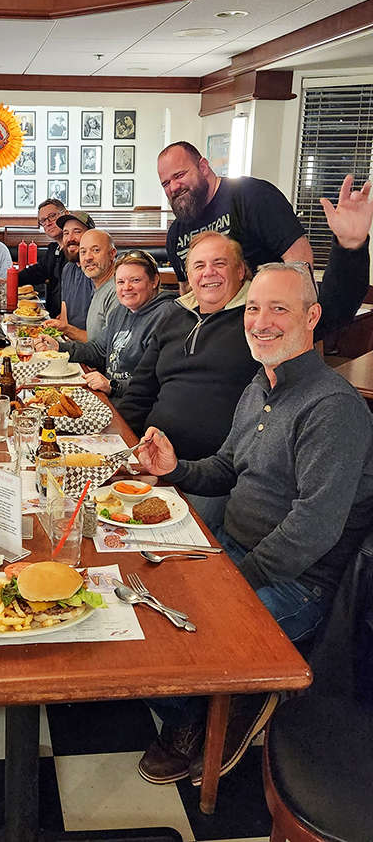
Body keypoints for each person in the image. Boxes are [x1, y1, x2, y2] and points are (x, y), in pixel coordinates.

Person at [135, 237, 373, 788]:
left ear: (312, 317)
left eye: (280, 309)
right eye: (257, 308)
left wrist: (233, 582)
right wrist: (175, 469)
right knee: (140, 600)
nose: (261, 322)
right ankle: (221, 692)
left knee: (175, 641)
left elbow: (312, 528)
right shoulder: (258, 386)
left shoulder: (332, 409)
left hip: (296, 582)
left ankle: (213, 711)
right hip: (234, 551)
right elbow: (225, 466)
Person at [117, 175, 371, 464]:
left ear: (240, 272)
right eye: (199, 265)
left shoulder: (259, 318)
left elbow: (334, 309)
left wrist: (351, 245)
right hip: (152, 459)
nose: (208, 272)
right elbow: (139, 392)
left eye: (220, 263)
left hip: (215, 471)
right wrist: (118, 450)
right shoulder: (174, 315)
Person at [159, 141, 314, 293]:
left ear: (203, 167)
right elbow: (187, 290)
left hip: (263, 310)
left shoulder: (253, 196)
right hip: (212, 316)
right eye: (166, 183)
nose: (173, 187)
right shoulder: (175, 234)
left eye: (179, 175)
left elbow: (300, 260)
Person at [35, 250, 175, 399]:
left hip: (135, 408)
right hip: (112, 399)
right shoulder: (120, 311)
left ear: (154, 281)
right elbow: (98, 350)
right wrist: (58, 347)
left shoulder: (167, 317)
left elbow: (159, 383)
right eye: (121, 282)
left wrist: (112, 386)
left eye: (135, 280)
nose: (126, 287)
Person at [45, 211, 96, 339]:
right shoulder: (68, 268)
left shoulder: (98, 271)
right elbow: (64, 313)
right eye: (66, 233)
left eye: (77, 231)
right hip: (71, 343)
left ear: (91, 235)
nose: (70, 238)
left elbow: (100, 341)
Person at [16, 199, 67, 317]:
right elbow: (37, 272)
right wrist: (10, 281)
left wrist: (66, 316)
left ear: (65, 214)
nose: (48, 223)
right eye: (43, 220)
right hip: (51, 317)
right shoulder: (54, 248)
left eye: (52, 216)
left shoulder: (76, 251)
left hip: (70, 321)